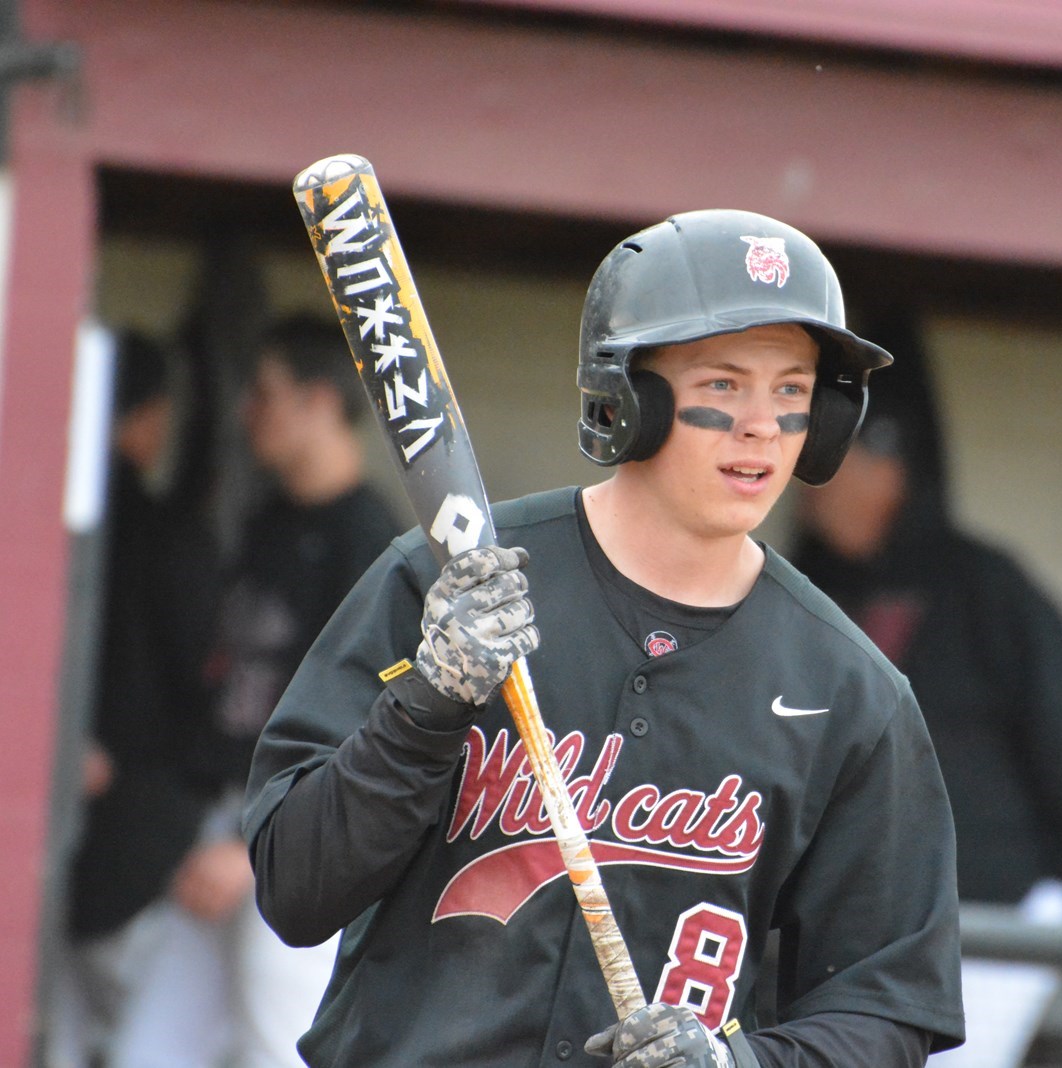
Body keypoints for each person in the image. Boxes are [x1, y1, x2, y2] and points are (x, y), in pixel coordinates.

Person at [242, 210, 965, 1067]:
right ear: (629, 397)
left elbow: (885, 1010)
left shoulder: (851, 690)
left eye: (792, 391)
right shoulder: (447, 581)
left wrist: (741, 1066)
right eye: (723, 385)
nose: (762, 425)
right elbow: (295, 888)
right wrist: (428, 700)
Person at [786, 313, 1062, 1066]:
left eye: (829, 460)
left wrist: (1057, 884)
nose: (807, 486)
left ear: (892, 466)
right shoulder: (791, 590)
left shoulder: (983, 586)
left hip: (989, 915)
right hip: (833, 921)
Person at [136, 314, 400, 1067]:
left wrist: (257, 852)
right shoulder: (269, 518)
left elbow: (376, 731)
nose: (249, 410)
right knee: (151, 1047)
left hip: (299, 843)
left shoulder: (373, 547)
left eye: (266, 393)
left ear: (319, 402)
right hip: (223, 815)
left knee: (279, 1048)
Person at [48, 330, 223, 1067]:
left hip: (55, 822)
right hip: (144, 837)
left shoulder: (45, 521)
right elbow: (203, 686)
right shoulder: (167, 536)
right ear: (148, 416)